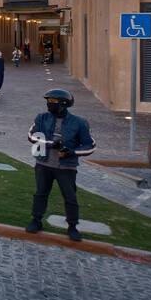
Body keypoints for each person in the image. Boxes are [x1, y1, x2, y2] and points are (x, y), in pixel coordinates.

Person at [25, 88, 95, 241]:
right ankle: (36, 220)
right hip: (43, 164)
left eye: (53, 102)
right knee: (40, 193)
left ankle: (72, 226)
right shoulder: (42, 118)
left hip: (66, 167)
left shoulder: (79, 123)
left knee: (70, 197)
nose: (49, 105)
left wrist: (72, 152)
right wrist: (51, 144)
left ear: (64, 104)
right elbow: (31, 136)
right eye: (48, 102)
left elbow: (89, 146)